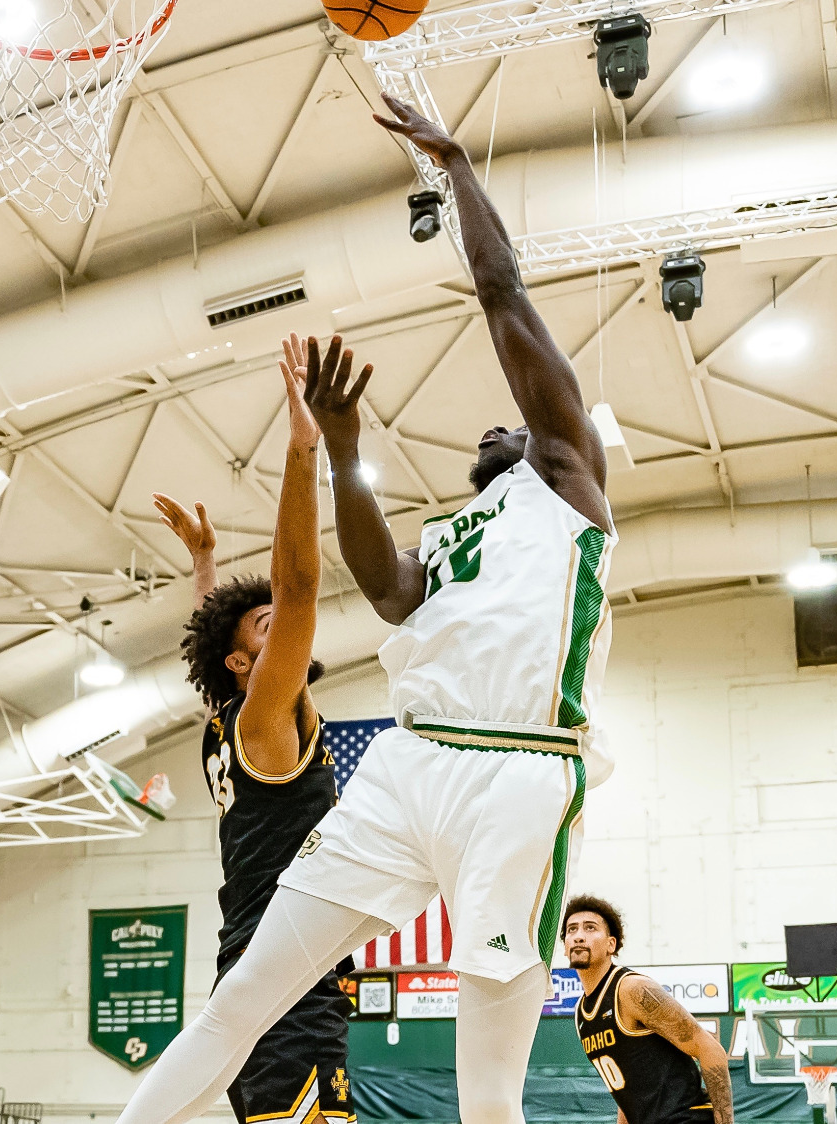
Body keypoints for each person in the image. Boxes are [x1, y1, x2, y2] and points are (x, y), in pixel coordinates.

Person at [116, 94, 617, 1124]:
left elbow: (500, 288)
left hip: (515, 768)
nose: (491, 428)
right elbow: (384, 587)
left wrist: (455, 171)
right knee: (238, 999)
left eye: (504, 424)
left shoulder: (566, 478)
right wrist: (343, 452)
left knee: (487, 1095)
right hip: (406, 760)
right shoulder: (451, 534)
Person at [152, 336, 351, 1124]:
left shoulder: (224, 723)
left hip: (260, 978)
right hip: (286, 991)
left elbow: (221, 641)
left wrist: (205, 565)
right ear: (246, 666)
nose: (290, 632)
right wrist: (305, 451)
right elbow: (297, 584)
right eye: (268, 631)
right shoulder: (267, 718)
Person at [562, 896, 730, 1124]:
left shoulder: (632, 989)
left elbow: (710, 1049)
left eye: (590, 928)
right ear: (565, 946)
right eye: (572, 930)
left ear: (611, 944)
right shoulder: (581, 1013)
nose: (579, 935)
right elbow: (627, 1094)